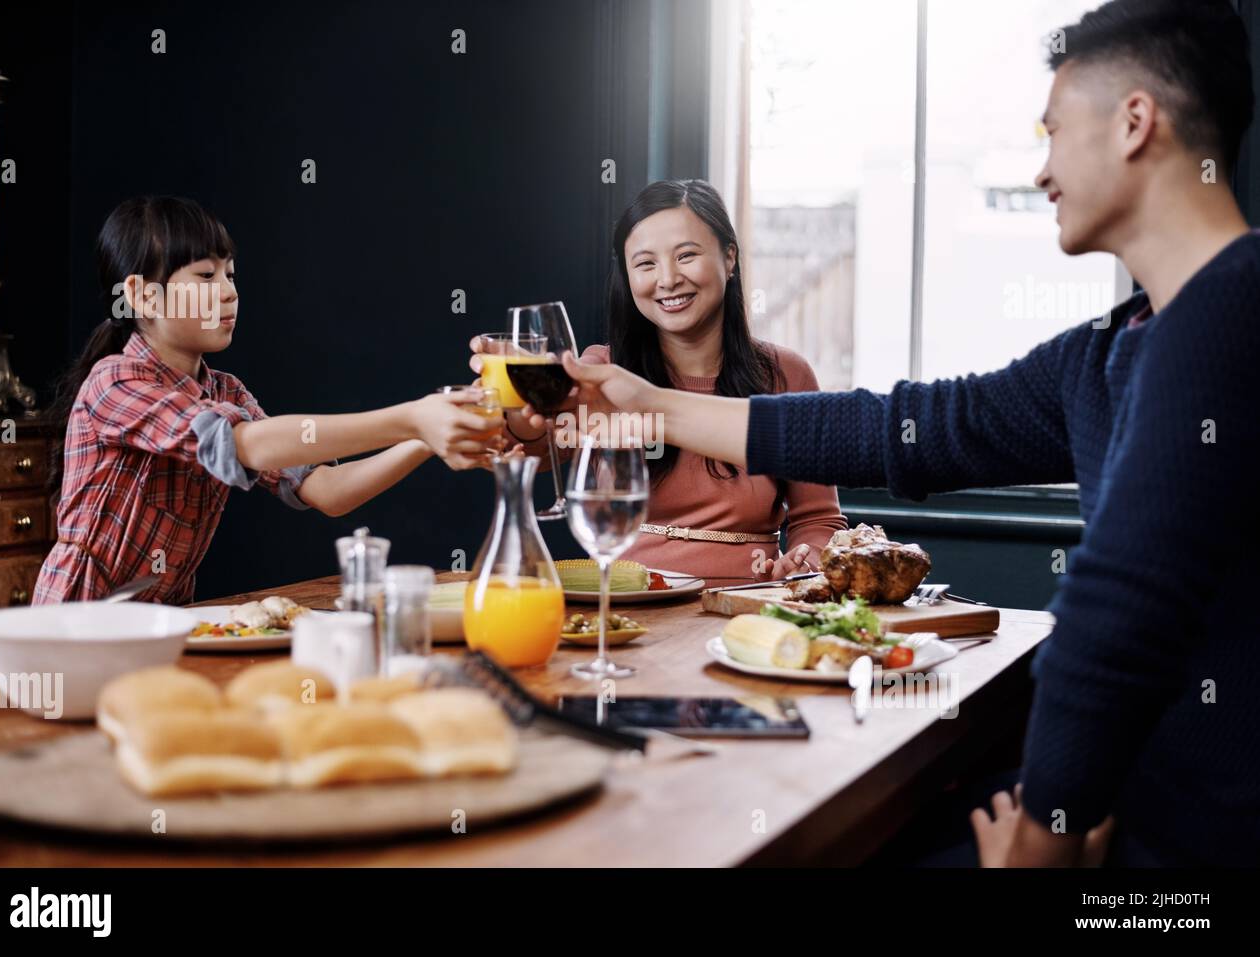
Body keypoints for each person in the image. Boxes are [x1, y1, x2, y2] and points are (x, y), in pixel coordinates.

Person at [525, 0, 1260, 866]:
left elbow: (1122, 612)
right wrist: (647, 399)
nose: (1041, 171)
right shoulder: (1108, 350)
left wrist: (1048, 828)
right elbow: (900, 429)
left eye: (1053, 131)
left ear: (1136, 122)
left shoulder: (1229, 316)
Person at [36, 196, 499, 605]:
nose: (230, 292)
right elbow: (247, 446)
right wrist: (412, 418)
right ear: (142, 295)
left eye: (230, 273)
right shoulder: (114, 381)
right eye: (205, 275)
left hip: (162, 631)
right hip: (76, 629)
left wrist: (428, 438)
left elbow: (328, 492)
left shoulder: (226, 392)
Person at [473, 180, 846, 583]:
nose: (667, 279)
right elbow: (538, 451)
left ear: (729, 257)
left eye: (686, 255)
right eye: (646, 264)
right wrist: (521, 405)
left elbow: (820, 519)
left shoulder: (785, 373)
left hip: (747, 609)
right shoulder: (602, 371)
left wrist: (801, 565)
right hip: (634, 607)